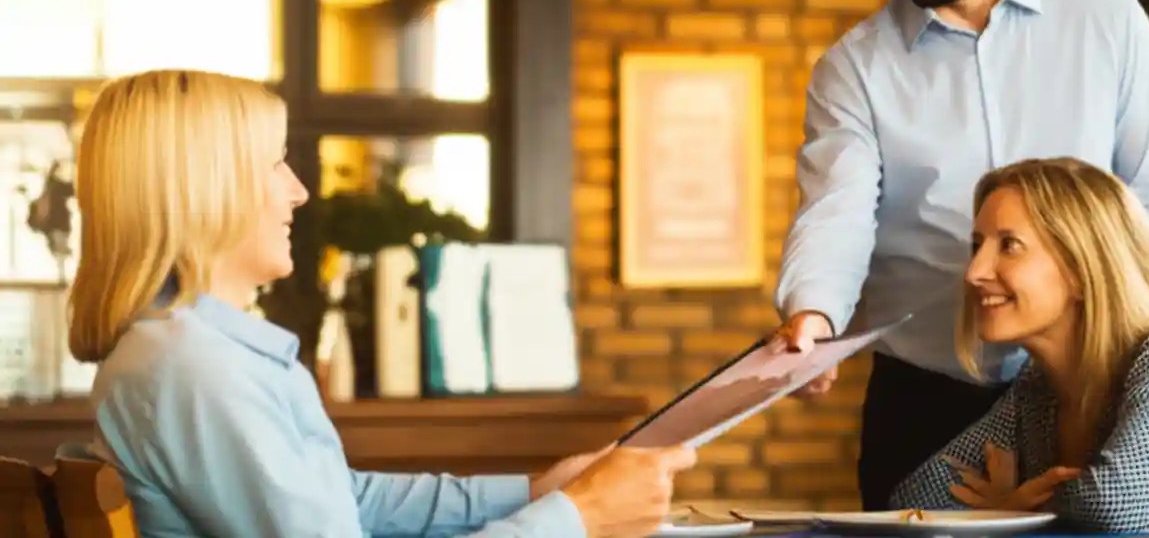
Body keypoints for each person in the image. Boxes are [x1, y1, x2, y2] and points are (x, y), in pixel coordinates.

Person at [772, 0, 1149, 511]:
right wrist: (814, 316)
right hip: (924, 406)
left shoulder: (1110, 23)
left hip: (1094, 391)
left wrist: (1135, 347)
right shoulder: (851, 68)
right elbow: (837, 212)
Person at [67, 69, 696, 538]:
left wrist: (538, 493)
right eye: (275, 164)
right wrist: (579, 517)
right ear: (206, 189)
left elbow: (342, 503)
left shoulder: (191, 352)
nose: (299, 191)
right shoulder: (193, 369)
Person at [890, 157, 1149, 536]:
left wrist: (1016, 510)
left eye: (1009, 245)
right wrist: (1010, 510)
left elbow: (1116, 508)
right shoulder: (1038, 386)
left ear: (1082, 267)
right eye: (978, 245)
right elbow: (914, 499)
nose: (974, 272)